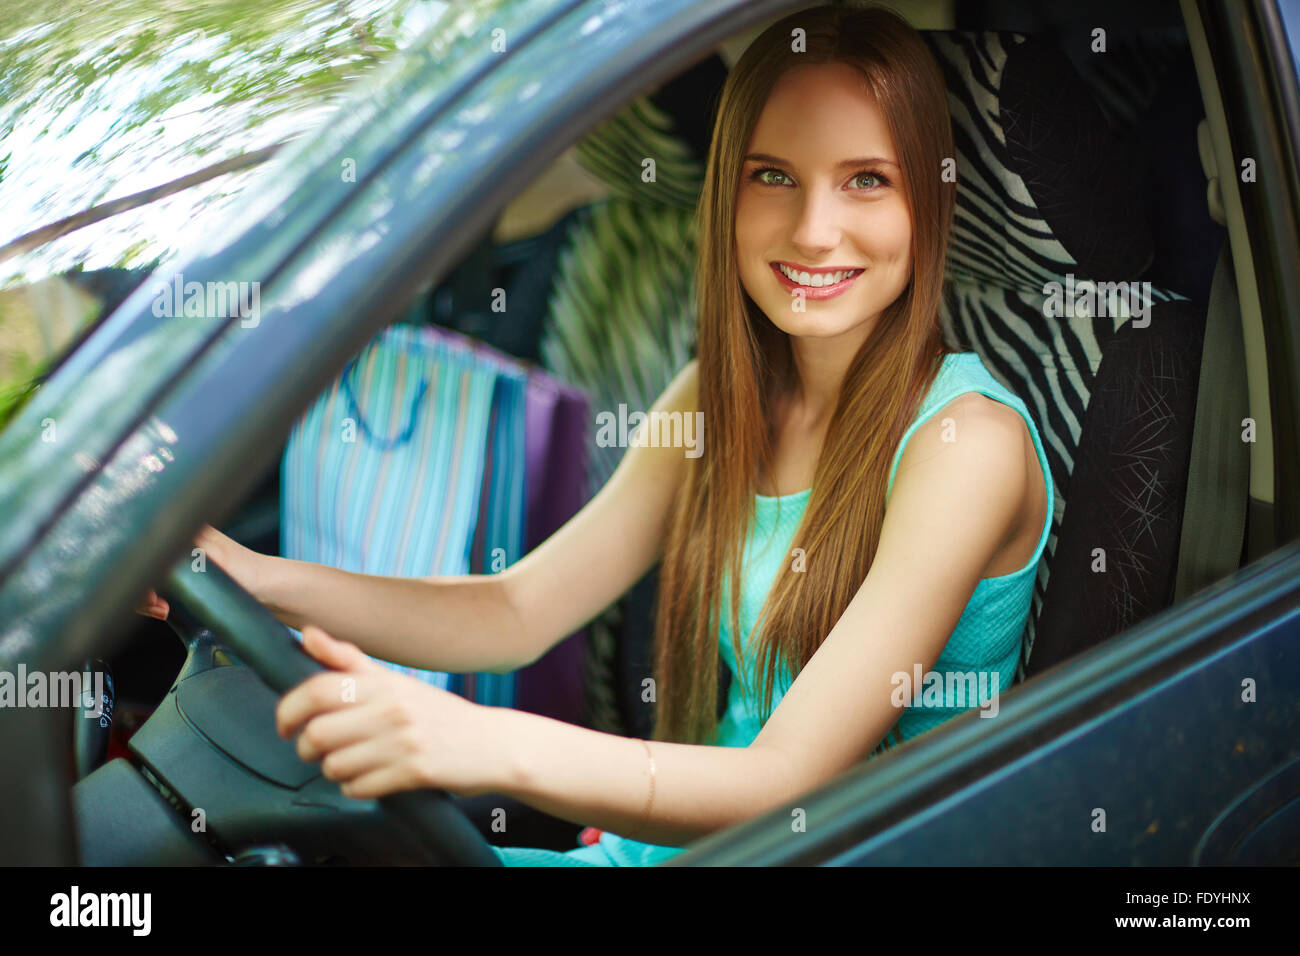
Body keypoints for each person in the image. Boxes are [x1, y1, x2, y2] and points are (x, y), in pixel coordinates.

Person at [139, 3, 1053, 867]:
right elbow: (514, 613)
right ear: (726, 198)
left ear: (927, 202)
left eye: (867, 181)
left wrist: (472, 741)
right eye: (773, 176)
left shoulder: (965, 445)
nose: (815, 231)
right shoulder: (714, 399)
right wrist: (259, 581)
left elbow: (788, 784)